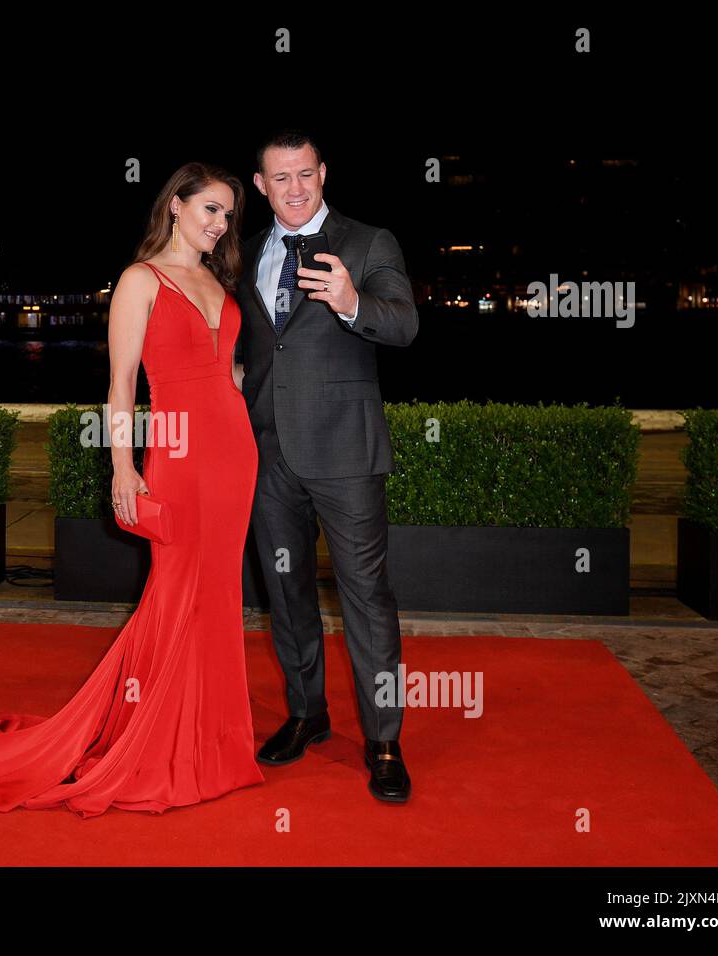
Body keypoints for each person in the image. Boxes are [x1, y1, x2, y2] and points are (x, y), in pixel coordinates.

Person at [0, 163, 265, 817]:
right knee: (174, 594)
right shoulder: (140, 280)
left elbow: (229, 373)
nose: (220, 223)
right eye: (210, 208)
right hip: (177, 455)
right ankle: (156, 741)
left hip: (236, 453)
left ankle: (212, 742)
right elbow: (121, 384)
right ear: (175, 206)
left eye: (228, 214)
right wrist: (122, 467)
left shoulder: (218, 280)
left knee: (218, 597)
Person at [234, 129, 418, 802]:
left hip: (345, 456)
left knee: (367, 599)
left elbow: (404, 325)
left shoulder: (368, 243)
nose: (295, 188)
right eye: (280, 178)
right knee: (286, 594)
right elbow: (253, 346)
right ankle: (307, 713)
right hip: (268, 456)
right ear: (261, 186)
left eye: (305, 174)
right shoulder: (245, 252)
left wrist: (351, 303)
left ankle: (385, 740)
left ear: (323, 174)